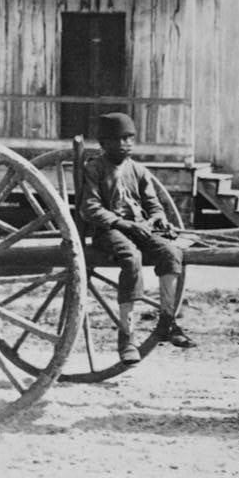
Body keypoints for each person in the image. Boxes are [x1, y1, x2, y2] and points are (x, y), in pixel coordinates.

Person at [79, 112, 192, 365]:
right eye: (116, 140)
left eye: (128, 139)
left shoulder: (139, 171)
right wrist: (122, 223)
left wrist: (158, 219)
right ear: (103, 143)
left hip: (140, 229)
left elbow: (155, 206)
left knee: (172, 253)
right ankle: (127, 337)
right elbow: (90, 207)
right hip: (109, 231)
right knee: (131, 259)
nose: (123, 145)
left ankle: (167, 323)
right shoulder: (95, 169)